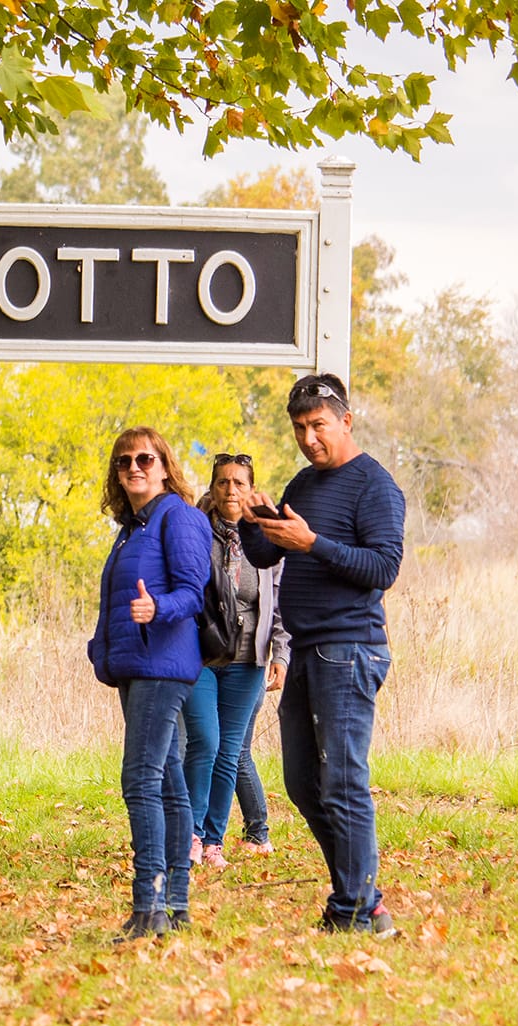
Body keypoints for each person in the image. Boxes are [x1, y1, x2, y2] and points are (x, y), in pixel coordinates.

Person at [241, 373, 405, 936]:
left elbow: (383, 568)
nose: (309, 438)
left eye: (319, 426)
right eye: (299, 428)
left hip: (350, 648)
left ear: (346, 421)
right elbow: (266, 553)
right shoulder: (304, 484)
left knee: (342, 782)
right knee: (302, 783)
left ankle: (356, 908)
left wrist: (313, 543)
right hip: (306, 648)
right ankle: (362, 900)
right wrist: (255, 519)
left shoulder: (373, 485)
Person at [87, 427, 211, 941]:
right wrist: (100, 647)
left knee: (139, 778)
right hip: (135, 665)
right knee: (167, 783)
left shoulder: (178, 516)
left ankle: (149, 905)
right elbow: (114, 600)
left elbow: (193, 592)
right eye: (123, 461)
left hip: (163, 664)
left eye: (144, 458)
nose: (133, 467)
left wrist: (158, 608)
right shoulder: (131, 527)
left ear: (164, 465)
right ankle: (175, 905)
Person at [182, 453, 290, 870]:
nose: (230, 490)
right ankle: (190, 834)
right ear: (213, 488)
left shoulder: (266, 539)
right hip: (202, 657)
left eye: (239, 483)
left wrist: (280, 653)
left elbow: (279, 604)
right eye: (223, 483)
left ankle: (213, 842)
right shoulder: (194, 531)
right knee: (205, 742)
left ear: (251, 489)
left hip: (249, 660)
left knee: (229, 752)